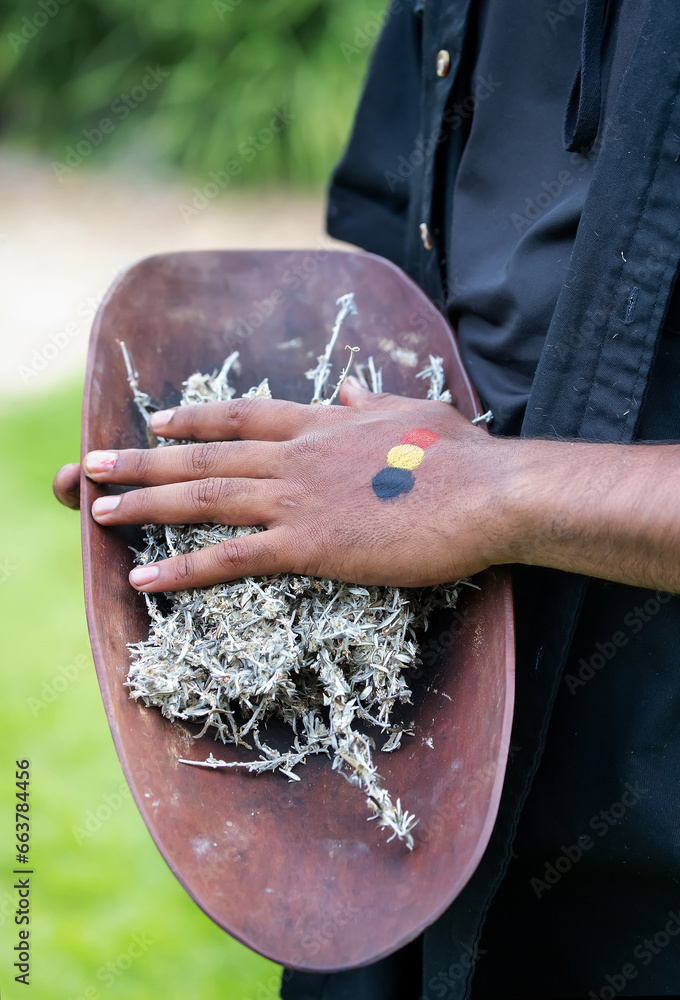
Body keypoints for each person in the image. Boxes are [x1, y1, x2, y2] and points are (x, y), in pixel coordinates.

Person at [54, 0, 680, 995]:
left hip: (640, 836)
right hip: (383, 805)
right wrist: (231, 464)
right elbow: (388, 254)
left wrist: (489, 491)